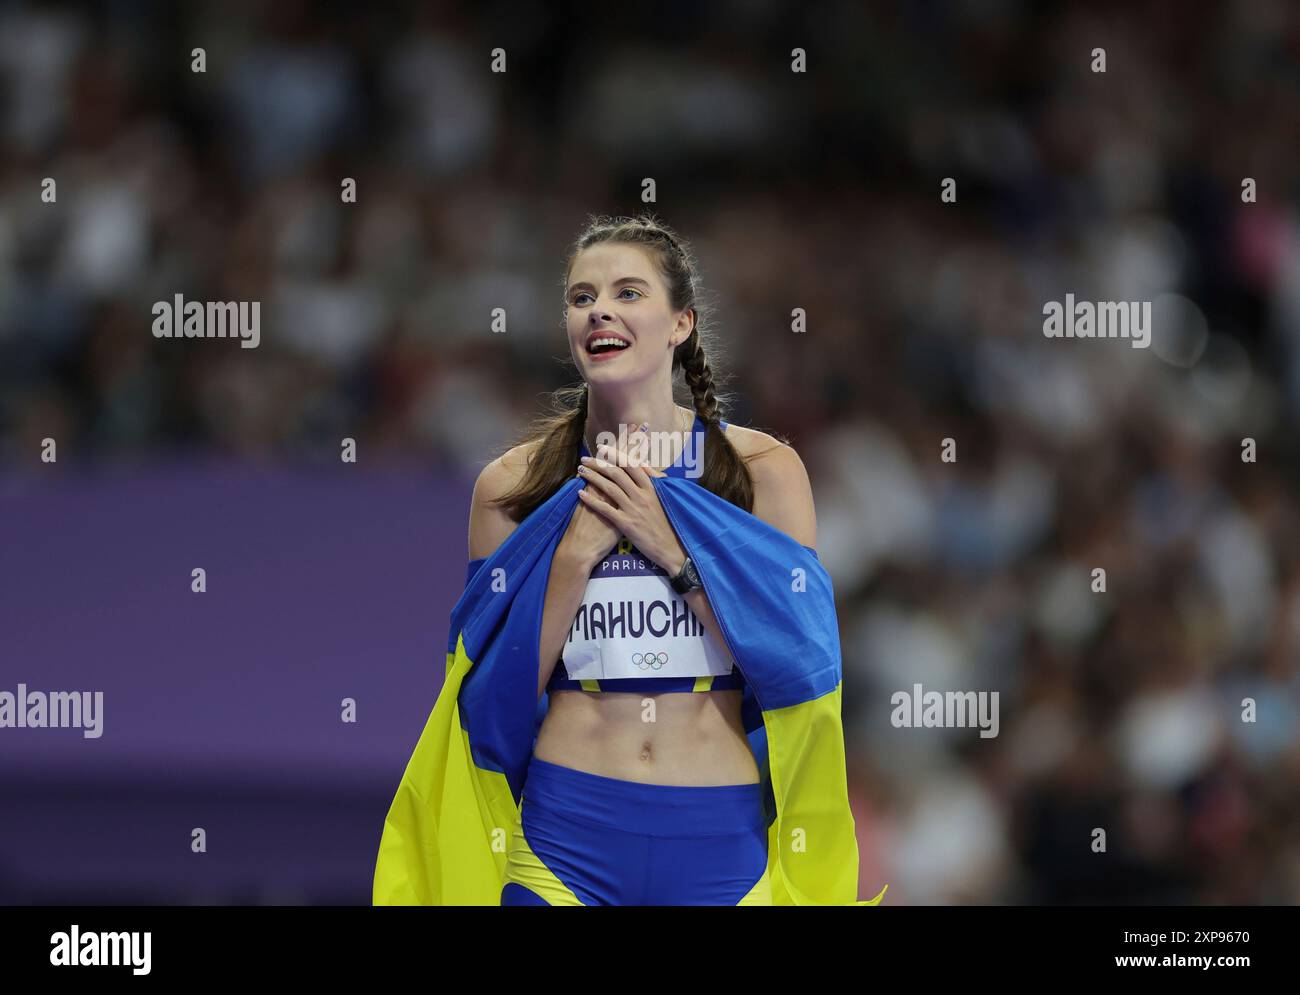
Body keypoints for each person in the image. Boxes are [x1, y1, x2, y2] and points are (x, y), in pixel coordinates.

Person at [467, 213, 821, 905]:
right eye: (581, 297)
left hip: (717, 836)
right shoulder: (510, 487)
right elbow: (488, 693)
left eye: (628, 292)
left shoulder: (762, 471)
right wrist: (574, 558)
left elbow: (796, 664)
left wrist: (672, 551)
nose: (599, 307)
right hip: (566, 833)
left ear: (680, 323)